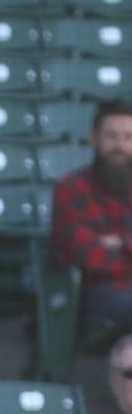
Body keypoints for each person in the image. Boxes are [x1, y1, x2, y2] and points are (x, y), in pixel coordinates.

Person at [49, 99, 132, 342]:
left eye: (128, 138)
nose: (120, 145)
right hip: (98, 293)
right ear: (94, 138)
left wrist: (119, 243)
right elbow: (88, 256)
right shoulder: (71, 189)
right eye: (112, 136)